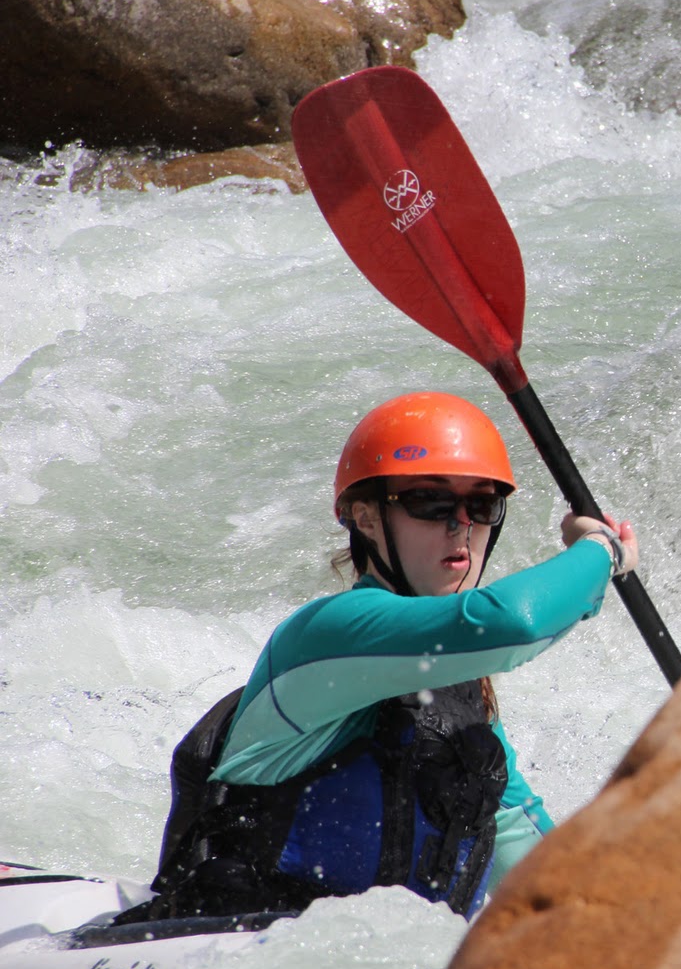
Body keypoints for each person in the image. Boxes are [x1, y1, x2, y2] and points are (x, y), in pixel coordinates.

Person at [128, 391, 635, 922]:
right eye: (430, 503)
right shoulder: (328, 634)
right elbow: (513, 622)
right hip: (233, 950)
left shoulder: (460, 694)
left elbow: (528, 859)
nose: (460, 525)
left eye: (481, 505)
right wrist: (603, 552)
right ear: (366, 518)